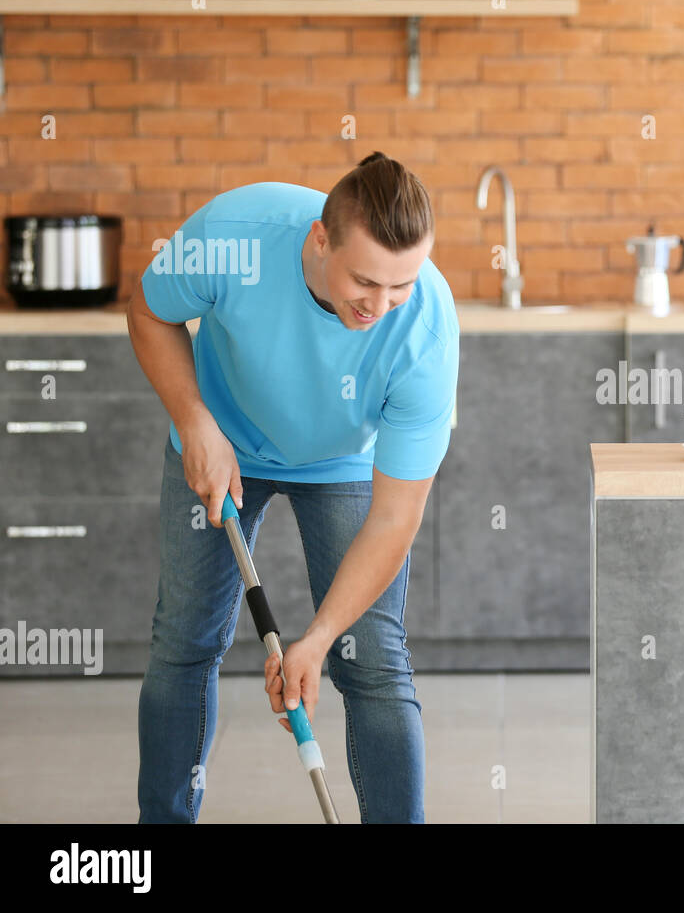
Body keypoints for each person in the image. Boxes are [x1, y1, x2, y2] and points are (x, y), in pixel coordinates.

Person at [128, 152, 458, 823]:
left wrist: (316, 640)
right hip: (223, 440)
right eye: (366, 281)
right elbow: (149, 311)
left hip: (342, 461)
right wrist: (194, 421)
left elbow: (395, 520)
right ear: (319, 239)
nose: (382, 306)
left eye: (402, 284)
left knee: (370, 660)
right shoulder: (235, 237)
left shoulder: (422, 330)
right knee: (185, 642)